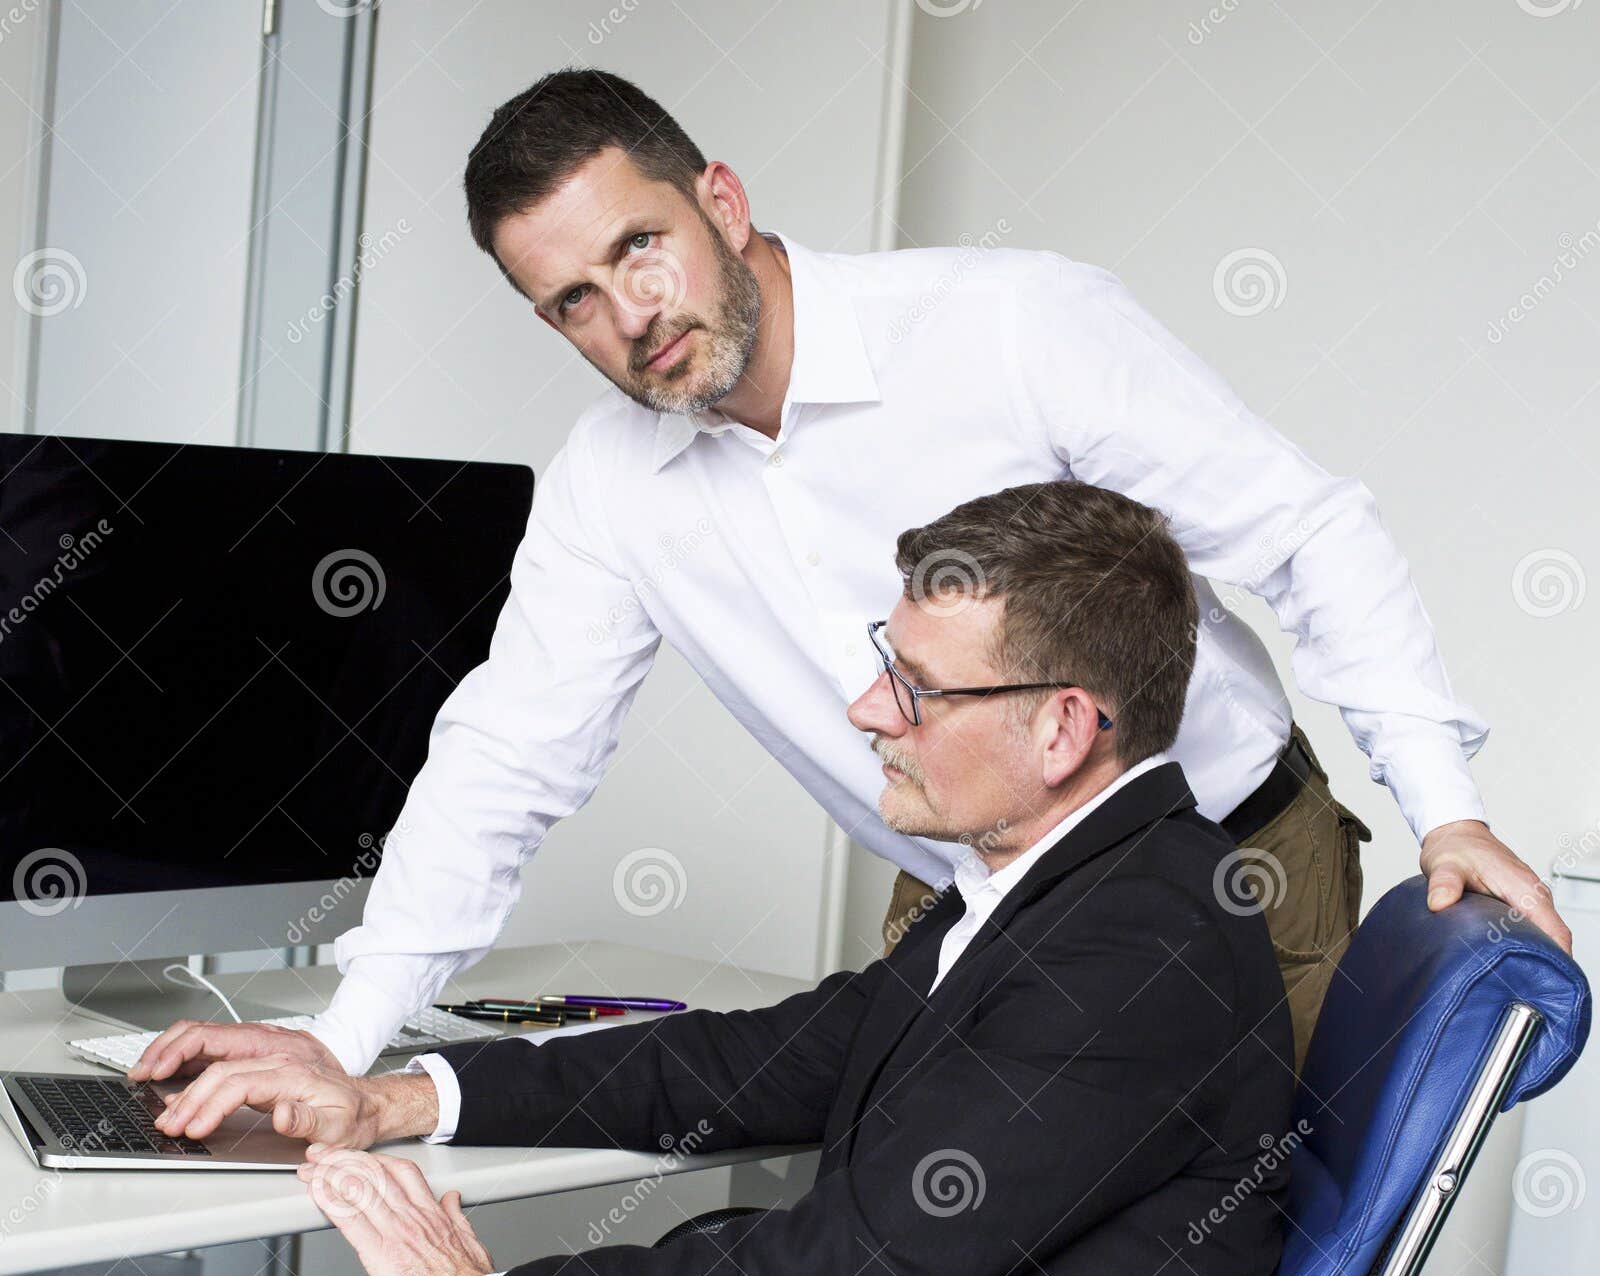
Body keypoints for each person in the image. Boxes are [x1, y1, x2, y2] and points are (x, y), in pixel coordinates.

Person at [132, 67, 1566, 1097]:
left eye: (640, 248)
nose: (630, 316)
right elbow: (508, 757)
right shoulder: (606, 487)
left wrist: (1445, 805)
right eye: (572, 300)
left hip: (1235, 873)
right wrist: (350, 1031)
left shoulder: (1010, 324)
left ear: (720, 199)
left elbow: (1306, 534)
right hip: (966, 898)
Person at [198, 481, 1293, 1276]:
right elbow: (763, 1060)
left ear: (1061, 728)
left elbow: (849, 1274)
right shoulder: (1069, 882)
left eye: (918, 687)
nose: (867, 709)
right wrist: (397, 1099)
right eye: (886, 664)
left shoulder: (1136, 947)